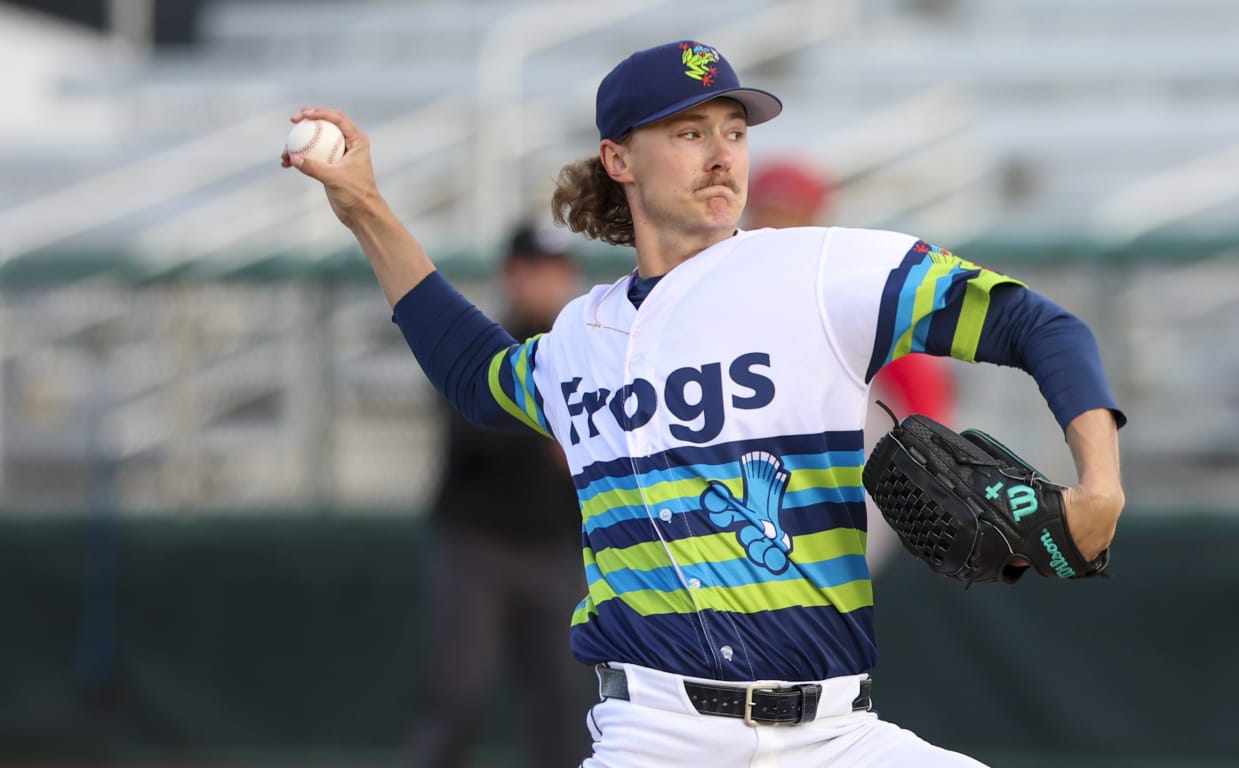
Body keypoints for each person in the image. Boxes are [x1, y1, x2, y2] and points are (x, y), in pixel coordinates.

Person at [283, 39, 1125, 768]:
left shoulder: (820, 271)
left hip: (836, 737)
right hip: (655, 737)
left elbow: (1034, 323)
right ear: (619, 160)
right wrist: (365, 207)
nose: (722, 155)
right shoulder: (580, 337)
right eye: (689, 133)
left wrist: (1102, 484)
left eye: (734, 131)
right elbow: (475, 373)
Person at [407, 224, 590, 768]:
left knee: (563, 703)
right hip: (477, 547)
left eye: (559, 271)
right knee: (457, 698)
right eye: (538, 270)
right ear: (512, 275)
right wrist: (547, 437)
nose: (551, 282)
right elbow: (469, 428)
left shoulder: (583, 353)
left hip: (555, 551)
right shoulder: (486, 346)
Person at [745, 157, 956, 571]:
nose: (776, 226)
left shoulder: (850, 288)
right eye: (767, 213)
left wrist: (934, 466)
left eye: (788, 214)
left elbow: (921, 390)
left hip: (843, 483)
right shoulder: (732, 289)